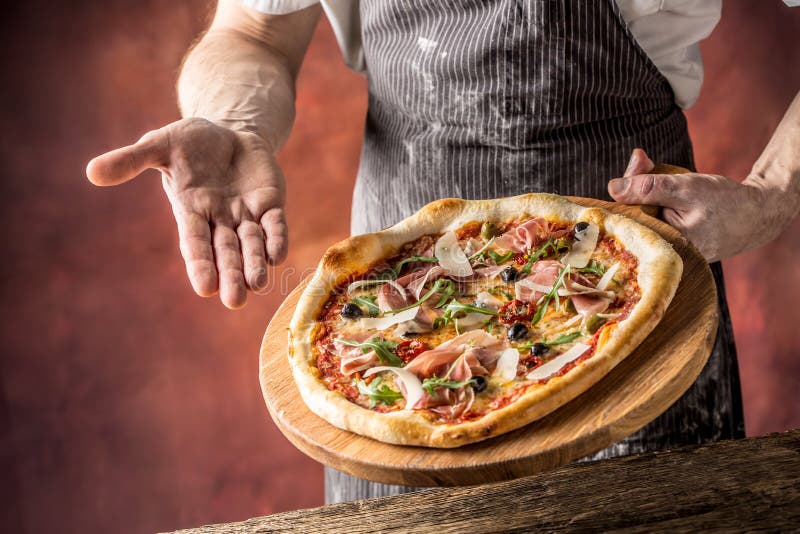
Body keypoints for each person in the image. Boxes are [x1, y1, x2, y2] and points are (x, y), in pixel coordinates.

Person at [86, 0, 799, 503]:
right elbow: (253, 32)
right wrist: (232, 123)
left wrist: (770, 194)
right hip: (394, 290)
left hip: (631, 280)